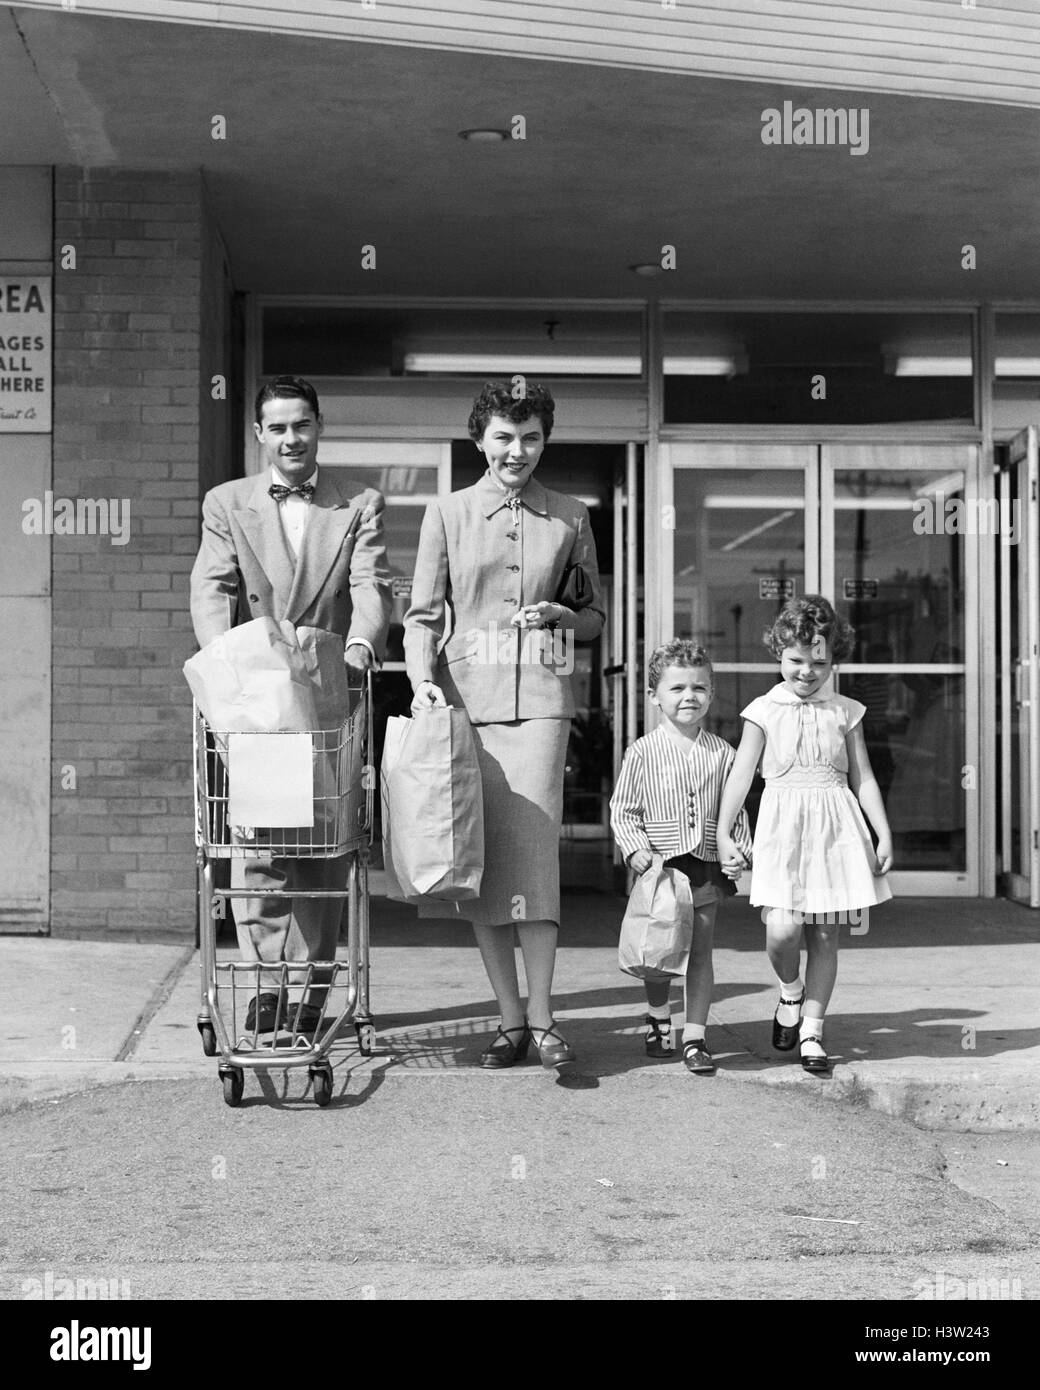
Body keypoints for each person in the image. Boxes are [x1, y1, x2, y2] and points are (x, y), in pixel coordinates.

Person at [404, 380, 605, 1069]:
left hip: (543, 706)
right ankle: (509, 1020)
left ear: (545, 441)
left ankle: (546, 1021)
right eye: (502, 437)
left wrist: (562, 618)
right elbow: (423, 617)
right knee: (483, 868)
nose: (516, 451)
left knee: (536, 859)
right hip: (468, 709)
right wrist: (423, 682)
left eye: (530, 438)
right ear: (479, 439)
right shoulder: (447, 514)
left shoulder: (571, 517)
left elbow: (596, 615)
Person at [190, 375, 392, 1034]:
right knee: (263, 849)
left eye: (300, 425)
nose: (290, 438)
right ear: (259, 434)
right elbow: (212, 585)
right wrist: (230, 664)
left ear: (318, 426)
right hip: (261, 699)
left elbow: (369, 585)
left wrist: (362, 642)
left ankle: (312, 990)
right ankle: (266, 986)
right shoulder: (227, 502)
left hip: (327, 693)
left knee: (322, 850)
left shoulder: (358, 502)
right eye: (276, 427)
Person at [716, 595, 893, 1073]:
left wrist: (882, 832)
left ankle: (813, 1031)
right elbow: (741, 774)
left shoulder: (846, 711)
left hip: (834, 826)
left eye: (820, 661)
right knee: (783, 927)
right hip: (783, 827)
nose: (807, 671)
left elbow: (865, 777)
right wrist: (724, 831)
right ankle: (790, 992)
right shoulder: (763, 710)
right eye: (796, 660)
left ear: (834, 659)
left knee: (827, 935)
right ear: (779, 653)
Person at [611, 642, 753, 1073]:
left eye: (699, 687)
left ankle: (695, 1036)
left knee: (700, 952)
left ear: (711, 693)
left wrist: (738, 852)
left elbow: (738, 809)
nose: (688, 696)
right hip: (661, 869)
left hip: (705, 864)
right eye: (677, 688)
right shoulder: (642, 752)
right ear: (654, 696)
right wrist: (635, 847)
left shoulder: (724, 754)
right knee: (659, 952)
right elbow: (624, 808)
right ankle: (658, 1016)